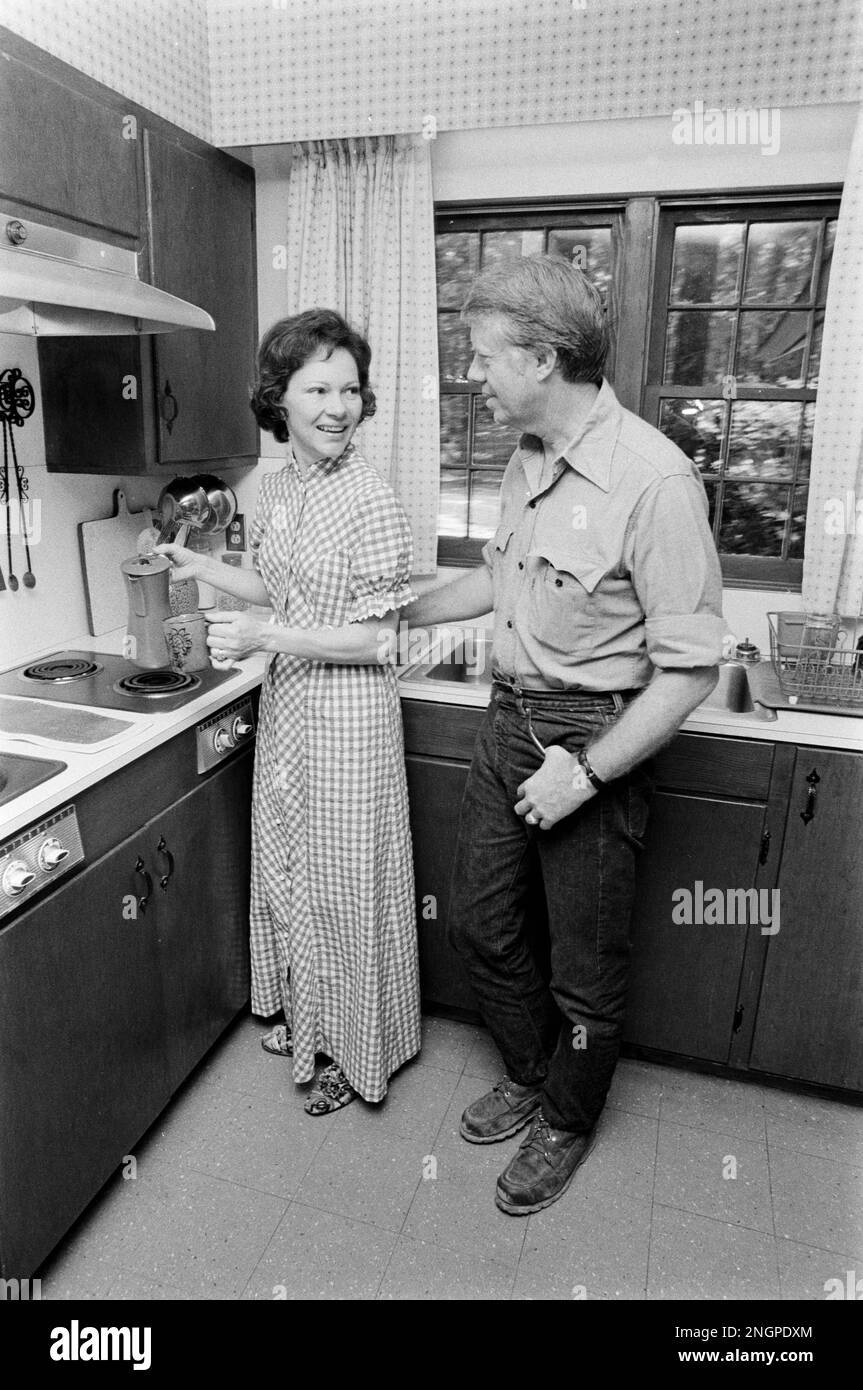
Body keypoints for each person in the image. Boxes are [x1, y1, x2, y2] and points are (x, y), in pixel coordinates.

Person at [406, 255, 724, 1214]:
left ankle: (567, 1119)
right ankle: (539, 1071)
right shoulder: (527, 456)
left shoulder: (654, 482)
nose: (473, 374)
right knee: (480, 925)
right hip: (509, 721)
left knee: (587, 972)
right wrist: (399, 612)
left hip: (592, 737)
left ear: (542, 359)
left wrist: (584, 774)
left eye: (483, 356)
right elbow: (501, 582)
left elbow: (690, 671)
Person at [157, 309, 421, 1115]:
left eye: (349, 388)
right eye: (317, 389)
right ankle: (313, 1018)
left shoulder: (371, 498)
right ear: (280, 398)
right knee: (292, 873)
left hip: (348, 716)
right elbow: (279, 589)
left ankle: (357, 1048)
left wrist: (269, 634)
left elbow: (379, 640)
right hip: (290, 707)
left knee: (347, 884)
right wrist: (202, 564)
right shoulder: (272, 490)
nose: (337, 406)